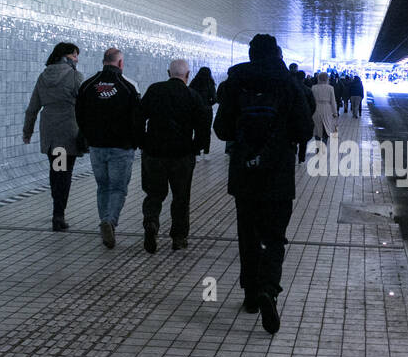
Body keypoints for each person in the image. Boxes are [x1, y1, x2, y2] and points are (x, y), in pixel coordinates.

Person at [213, 34, 313, 334]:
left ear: (251, 54)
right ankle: (269, 289)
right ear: (278, 54)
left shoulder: (235, 82)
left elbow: (221, 130)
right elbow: (304, 130)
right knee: (274, 236)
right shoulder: (289, 84)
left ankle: (250, 297)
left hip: (244, 174)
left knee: (248, 234)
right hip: (278, 174)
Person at [135, 59, 212, 253]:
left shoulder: (154, 90)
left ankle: (151, 223)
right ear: (187, 76)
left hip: (154, 153)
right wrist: (195, 147)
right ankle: (178, 238)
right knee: (181, 197)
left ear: (168, 73)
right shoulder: (192, 95)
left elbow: (137, 118)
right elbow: (203, 126)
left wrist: (143, 142)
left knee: (154, 194)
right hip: (182, 155)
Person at [75, 47, 140, 247]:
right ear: (120, 63)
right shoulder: (129, 86)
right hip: (121, 147)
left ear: (104, 61)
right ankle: (109, 222)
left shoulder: (87, 85)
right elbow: (137, 118)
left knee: (103, 187)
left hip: (96, 146)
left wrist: (88, 136)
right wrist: (136, 141)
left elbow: (80, 115)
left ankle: (104, 220)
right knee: (118, 188)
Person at [23, 41, 83, 231]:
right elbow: (86, 105)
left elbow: (33, 108)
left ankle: (57, 211)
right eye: (74, 55)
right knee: (64, 173)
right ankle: (58, 215)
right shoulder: (75, 76)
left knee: (57, 170)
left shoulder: (43, 76)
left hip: (50, 133)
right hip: (68, 132)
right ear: (65, 57)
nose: (77, 59)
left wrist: (27, 131)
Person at [288, 63, 315, 164]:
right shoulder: (308, 90)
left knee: (293, 137)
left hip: (291, 117)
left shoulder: (290, 88)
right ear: (304, 78)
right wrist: (308, 114)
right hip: (304, 117)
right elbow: (313, 105)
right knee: (303, 139)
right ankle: (301, 158)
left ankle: (293, 152)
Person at [189, 66, 217, 156]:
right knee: (207, 131)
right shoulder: (210, 83)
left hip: (196, 111)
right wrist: (209, 104)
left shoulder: (194, 82)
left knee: (197, 131)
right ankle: (206, 152)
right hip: (207, 111)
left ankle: (197, 153)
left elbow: (189, 94)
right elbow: (215, 98)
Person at [310, 72, 339, 145]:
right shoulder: (330, 88)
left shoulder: (313, 87)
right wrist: (335, 112)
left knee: (317, 128)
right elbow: (333, 101)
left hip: (316, 109)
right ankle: (324, 146)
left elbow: (311, 100)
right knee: (326, 128)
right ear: (327, 78)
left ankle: (318, 146)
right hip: (327, 109)